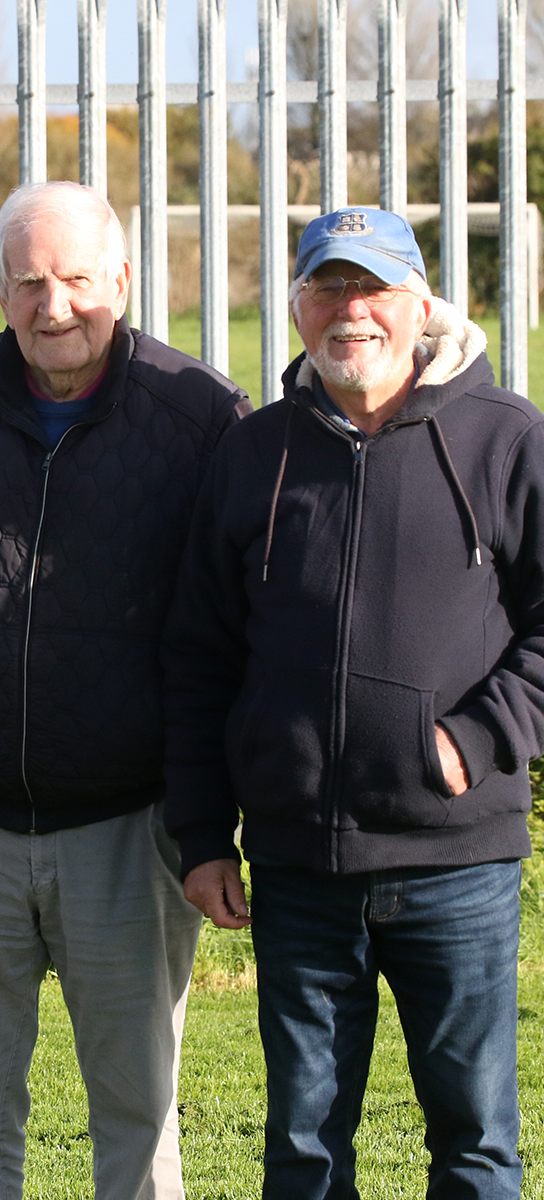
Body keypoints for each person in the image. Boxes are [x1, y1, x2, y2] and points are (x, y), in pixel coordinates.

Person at [0, 180, 250, 1200]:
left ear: (122, 279)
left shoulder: (201, 414)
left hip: (131, 825)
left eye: (75, 279)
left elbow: (236, 629)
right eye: (28, 281)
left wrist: (212, 819)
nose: (53, 304)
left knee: (139, 1117)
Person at [164, 206, 540, 1197]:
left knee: (474, 1142)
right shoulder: (254, 455)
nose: (352, 311)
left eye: (373, 288)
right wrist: (203, 834)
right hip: (298, 869)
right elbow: (200, 657)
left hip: (456, 864)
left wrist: (480, 735)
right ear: (295, 307)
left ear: (420, 304)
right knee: (304, 1149)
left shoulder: (507, 440)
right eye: (328, 288)